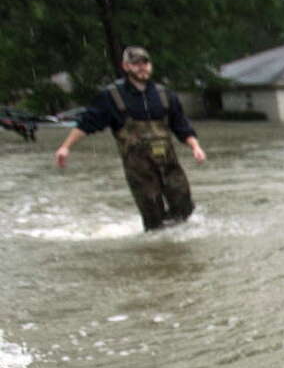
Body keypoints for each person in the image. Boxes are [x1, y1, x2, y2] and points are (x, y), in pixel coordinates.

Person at [54, 46, 206, 231]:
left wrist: (195, 147)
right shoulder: (111, 96)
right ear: (126, 66)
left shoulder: (165, 95)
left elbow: (181, 125)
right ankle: (158, 249)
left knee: (184, 206)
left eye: (145, 63)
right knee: (153, 216)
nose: (142, 67)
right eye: (136, 64)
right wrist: (65, 147)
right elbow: (87, 123)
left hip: (169, 163)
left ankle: (176, 244)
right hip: (139, 169)